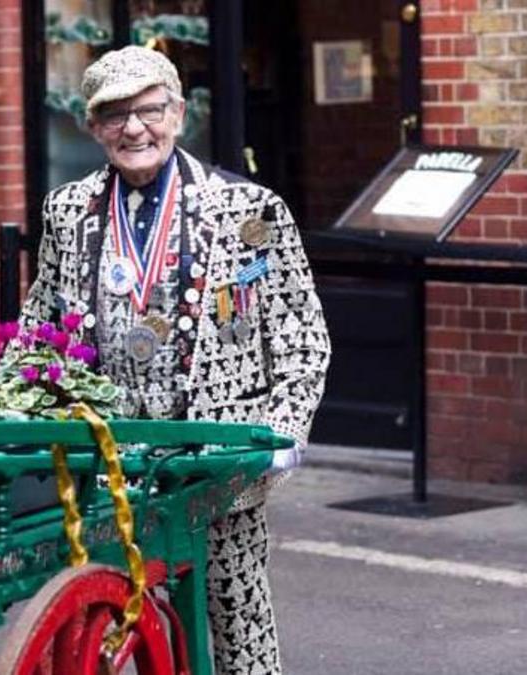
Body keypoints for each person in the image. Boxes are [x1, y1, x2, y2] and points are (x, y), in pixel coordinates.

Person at [20, 45, 331, 674]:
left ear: (179, 114)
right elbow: (39, 328)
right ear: (93, 126)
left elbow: (300, 331)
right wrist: (18, 405)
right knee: (99, 622)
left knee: (235, 622)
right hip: (108, 461)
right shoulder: (68, 211)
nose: (134, 128)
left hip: (218, 464)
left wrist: (285, 430)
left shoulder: (249, 211)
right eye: (115, 115)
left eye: (149, 110)